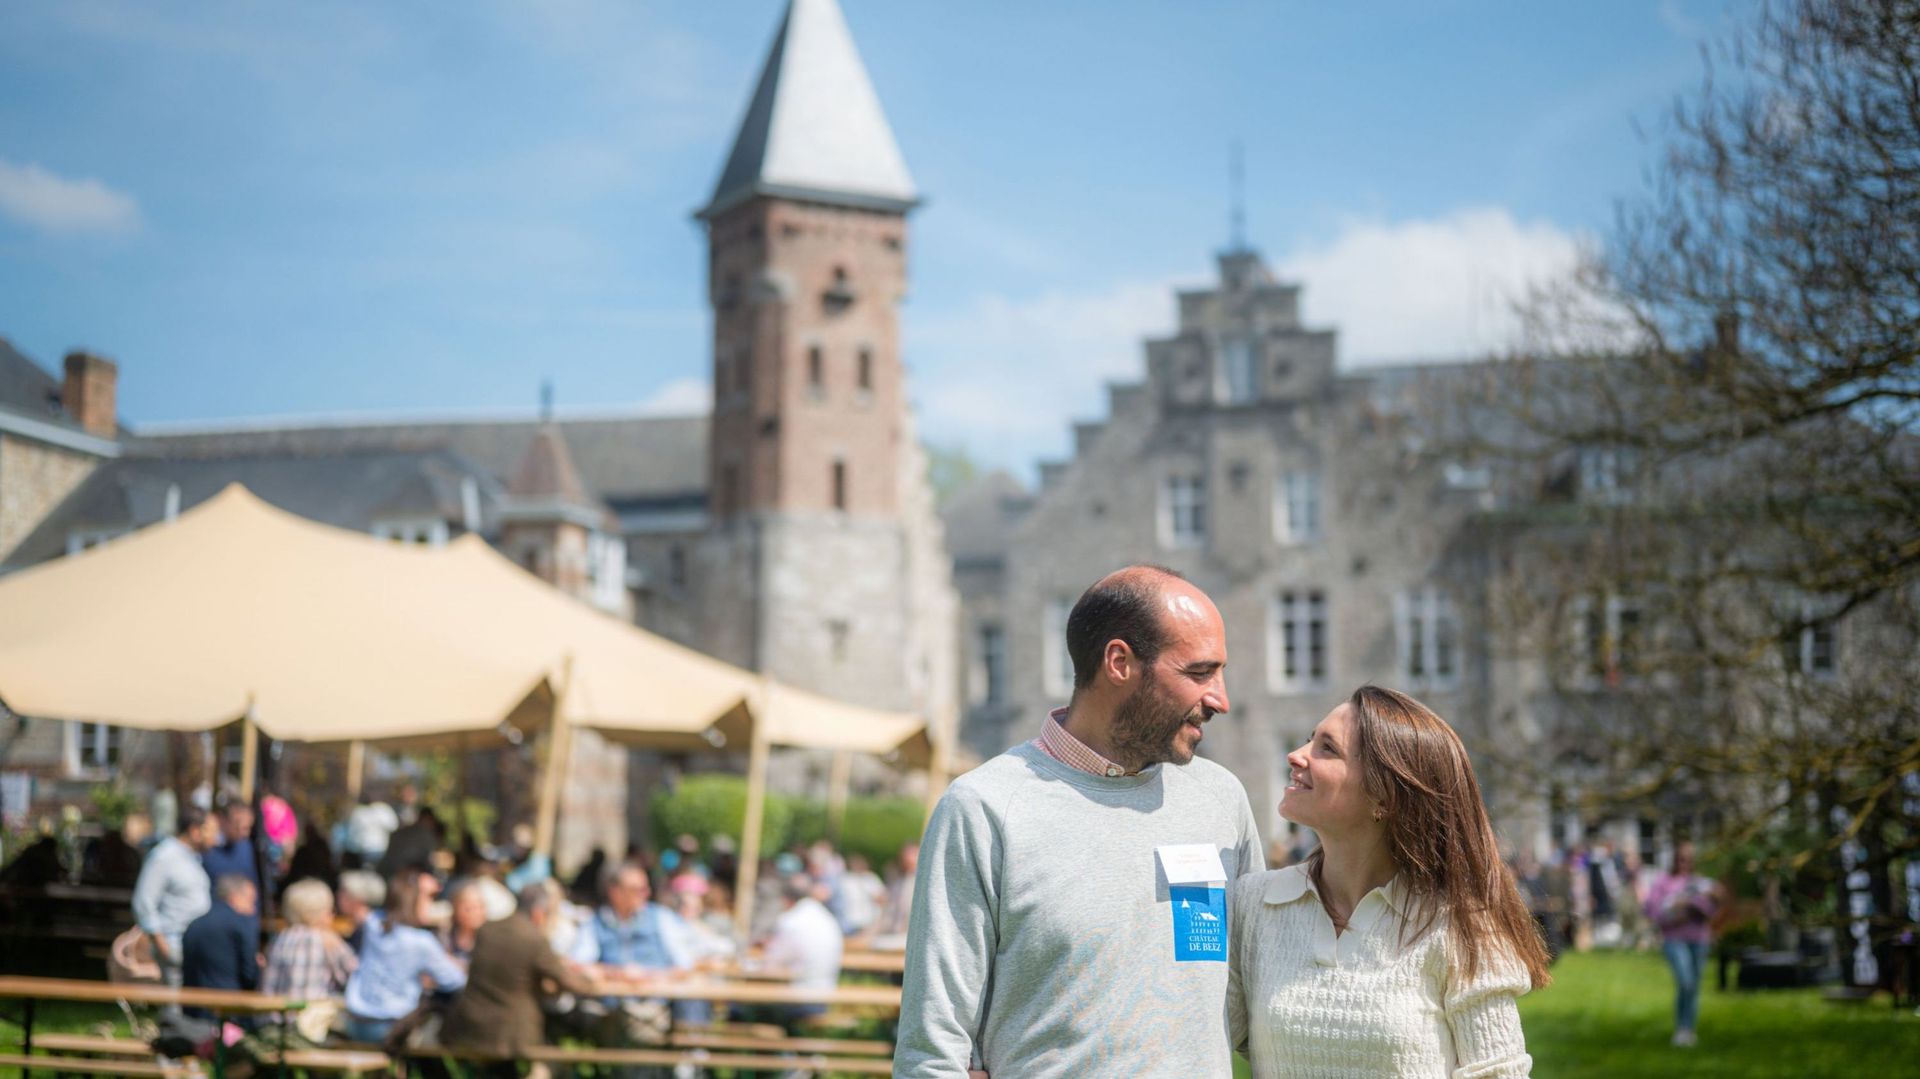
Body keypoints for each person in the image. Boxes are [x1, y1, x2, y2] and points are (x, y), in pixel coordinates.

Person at [896, 565, 1264, 1078]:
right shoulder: (985, 807)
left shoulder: (1220, 798)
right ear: (1119, 662)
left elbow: (1259, 999)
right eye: (1199, 673)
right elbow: (933, 1049)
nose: (1220, 699)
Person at [1228, 685, 1552, 1078]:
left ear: (1383, 796)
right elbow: (1201, 1040)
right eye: (1310, 740)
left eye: (1327, 748)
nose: (1296, 755)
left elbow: (1499, 1072)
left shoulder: (1462, 926)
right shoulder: (1254, 904)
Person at [440, 883, 596, 1074]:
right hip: (511, 1037)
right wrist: (590, 981)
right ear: (538, 913)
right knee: (551, 1065)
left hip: (471, 1027)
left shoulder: (487, 929)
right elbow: (569, 981)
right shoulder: (532, 938)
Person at [342, 870, 468, 1044]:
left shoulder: (373, 923)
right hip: (391, 1029)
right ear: (413, 899)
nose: (432, 903)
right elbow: (455, 981)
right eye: (430, 897)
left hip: (355, 1020)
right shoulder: (421, 941)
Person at [133, 805, 221, 1000]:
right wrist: (162, 944)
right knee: (175, 1007)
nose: (216, 839)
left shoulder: (191, 858)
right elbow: (143, 902)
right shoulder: (164, 856)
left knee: (190, 1007)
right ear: (195, 831)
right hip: (174, 944)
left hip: (192, 947)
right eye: (212, 832)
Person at [1643, 840, 1723, 1048]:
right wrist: (1677, 912)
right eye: (1681, 858)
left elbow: (1711, 909)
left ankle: (1689, 1030)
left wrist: (1705, 903)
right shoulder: (1664, 882)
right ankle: (1682, 1028)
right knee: (1685, 982)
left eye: (1689, 859)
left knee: (1693, 985)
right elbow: (1652, 911)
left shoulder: (1701, 882)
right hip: (1674, 939)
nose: (1684, 863)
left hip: (1699, 939)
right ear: (1674, 859)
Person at [263, 878, 358, 1042]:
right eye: (330, 910)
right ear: (318, 912)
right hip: (311, 1029)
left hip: (273, 1026)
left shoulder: (280, 938)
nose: (332, 915)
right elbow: (356, 977)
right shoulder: (327, 940)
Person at [757, 873, 844, 1027]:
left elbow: (771, 964)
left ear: (786, 900)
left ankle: (775, 1041)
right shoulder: (825, 916)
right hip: (825, 993)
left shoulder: (791, 921)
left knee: (749, 1008)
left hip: (799, 995)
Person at [182, 874, 261, 1016]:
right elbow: (249, 974)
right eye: (251, 901)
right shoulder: (240, 924)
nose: (253, 909)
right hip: (229, 1010)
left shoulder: (194, 924)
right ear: (235, 896)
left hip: (192, 1009)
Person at [201, 796, 261, 893]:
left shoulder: (246, 847)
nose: (245, 833)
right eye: (238, 827)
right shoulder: (207, 849)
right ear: (223, 821)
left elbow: (253, 884)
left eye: (248, 828)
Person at [336, 869, 386, 953]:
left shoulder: (374, 928)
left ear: (357, 898)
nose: (338, 895)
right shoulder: (359, 926)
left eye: (343, 892)